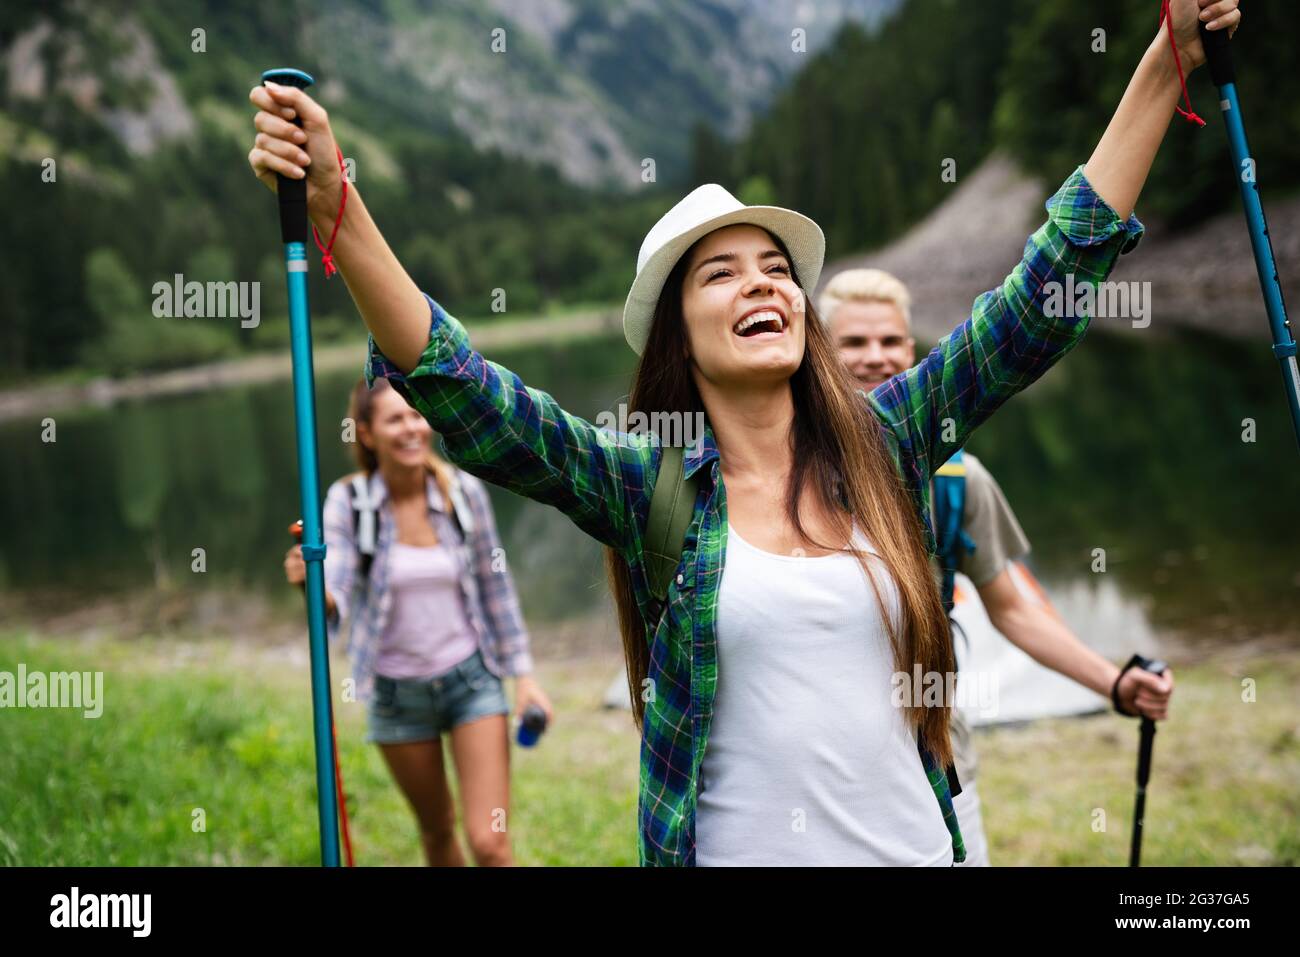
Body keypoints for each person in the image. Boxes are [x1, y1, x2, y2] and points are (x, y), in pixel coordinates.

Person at [249, 0, 1239, 865]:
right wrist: (343, 204)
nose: (761, 281)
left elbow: (1035, 305)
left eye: (774, 267)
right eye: (719, 274)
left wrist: (1163, 61)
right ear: (679, 336)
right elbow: (467, 391)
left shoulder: (886, 444)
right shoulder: (646, 489)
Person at [819, 267, 1177, 866]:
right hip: (820, 771)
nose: (877, 357)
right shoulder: (772, 475)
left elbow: (1013, 607)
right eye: (854, 343)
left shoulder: (959, 480)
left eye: (891, 341)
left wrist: (1112, 684)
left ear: (912, 349)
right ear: (822, 355)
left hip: (937, 756)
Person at [283, 376, 553, 866]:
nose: (411, 428)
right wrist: (309, 581)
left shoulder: (463, 493)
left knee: (490, 842)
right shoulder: (349, 503)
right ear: (366, 433)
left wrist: (525, 678)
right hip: (395, 696)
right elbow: (334, 596)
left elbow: (496, 591)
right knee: (436, 832)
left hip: (472, 682)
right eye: (395, 419)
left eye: (417, 414)